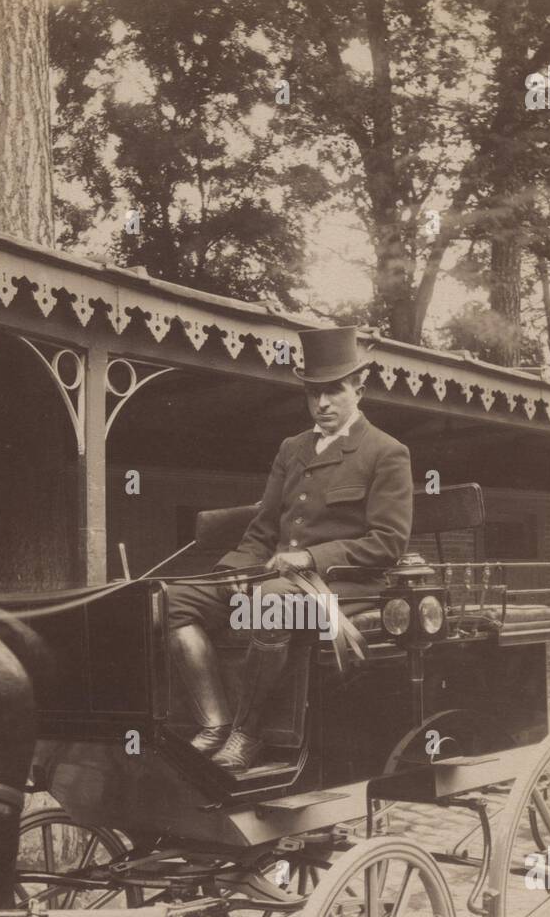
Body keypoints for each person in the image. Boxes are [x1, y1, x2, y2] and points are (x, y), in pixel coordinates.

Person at [167, 325, 413, 774]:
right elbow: (263, 528)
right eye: (313, 393)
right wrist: (235, 569)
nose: (322, 404)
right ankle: (214, 723)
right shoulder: (292, 448)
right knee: (173, 601)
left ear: (359, 387)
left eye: (334, 391)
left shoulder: (386, 452)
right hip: (276, 579)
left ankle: (249, 733)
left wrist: (311, 558)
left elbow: (388, 543)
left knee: (270, 603)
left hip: (345, 585)